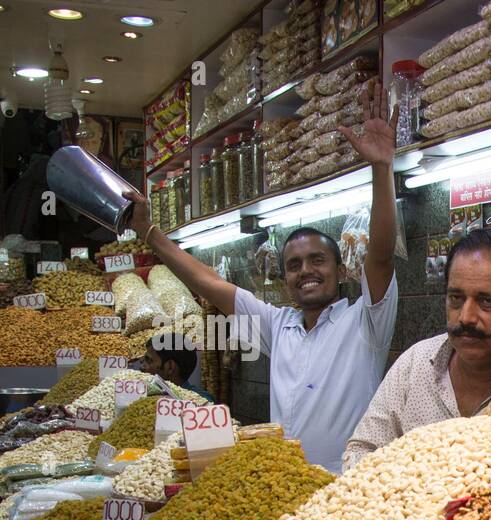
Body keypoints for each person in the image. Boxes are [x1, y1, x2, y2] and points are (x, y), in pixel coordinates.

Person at [122, 80, 400, 472]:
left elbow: (383, 255)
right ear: (284, 277)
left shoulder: (366, 323)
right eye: (294, 264)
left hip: (347, 488)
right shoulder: (277, 325)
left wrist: (381, 168)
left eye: (317, 260)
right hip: (283, 486)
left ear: (341, 270)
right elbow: (210, 284)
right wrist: (151, 234)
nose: (306, 271)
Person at [342, 229, 491, 469]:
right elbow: (360, 451)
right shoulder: (416, 362)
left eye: (487, 301)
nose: (466, 317)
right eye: (456, 298)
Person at [133, 331, 215, 403]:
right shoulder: (143, 393)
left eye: (149, 360)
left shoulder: (202, 403)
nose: (142, 367)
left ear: (170, 367)